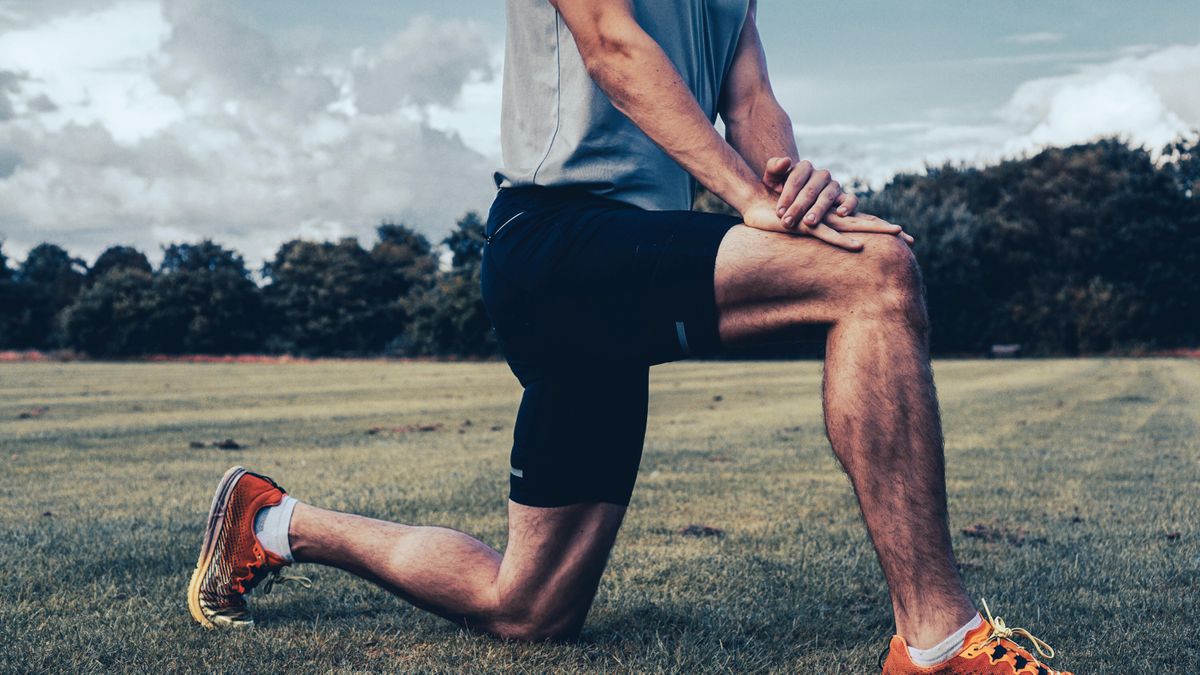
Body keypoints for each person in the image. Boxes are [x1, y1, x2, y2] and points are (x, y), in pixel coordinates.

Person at [186, 1, 1074, 672]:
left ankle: (273, 521)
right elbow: (612, 44)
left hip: (625, 260)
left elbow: (750, 96)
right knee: (874, 272)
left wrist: (786, 185)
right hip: (557, 242)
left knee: (528, 607)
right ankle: (938, 641)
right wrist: (746, 197)